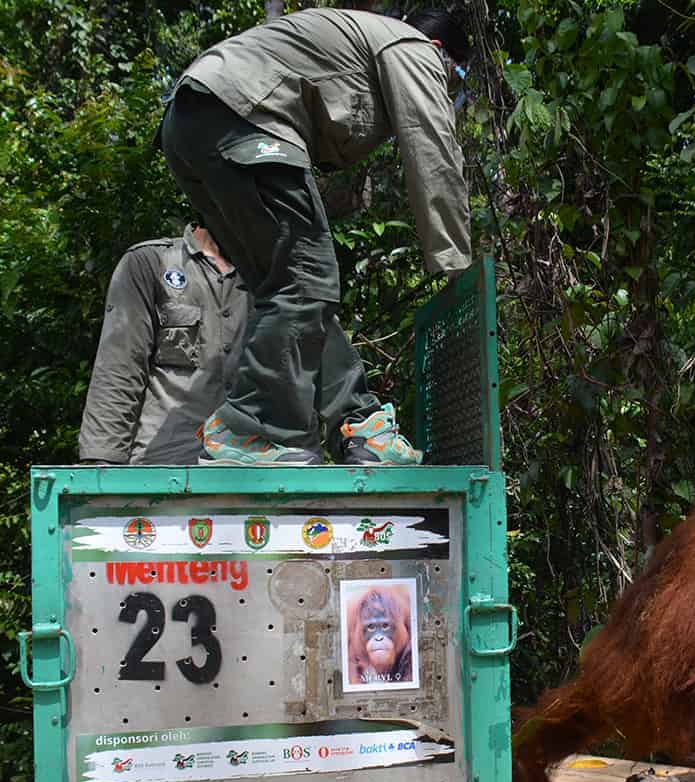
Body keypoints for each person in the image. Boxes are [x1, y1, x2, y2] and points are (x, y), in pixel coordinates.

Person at [157, 7, 472, 466]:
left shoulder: (367, 45)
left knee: (290, 291)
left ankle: (360, 425)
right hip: (242, 116)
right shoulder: (415, 48)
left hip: (192, 123)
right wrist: (455, 265)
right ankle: (248, 428)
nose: (451, 93)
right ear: (442, 53)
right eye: (456, 82)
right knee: (308, 278)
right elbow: (434, 152)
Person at [78, 223, 249, 465]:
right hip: (165, 465)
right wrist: (100, 464)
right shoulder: (152, 262)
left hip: (255, 469)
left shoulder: (277, 277)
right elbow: (119, 369)